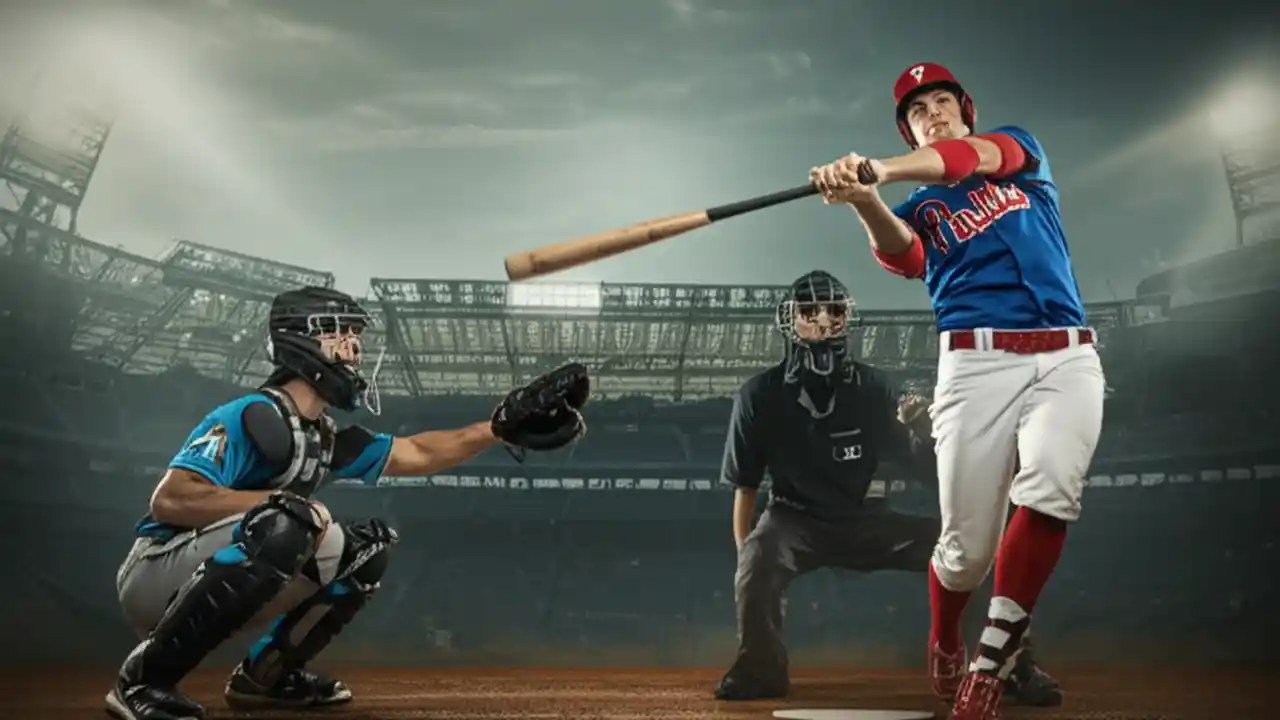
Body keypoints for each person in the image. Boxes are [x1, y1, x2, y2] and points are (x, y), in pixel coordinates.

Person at [106, 285, 590, 720]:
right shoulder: (248, 415)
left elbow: (418, 451)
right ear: (301, 341)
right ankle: (143, 681)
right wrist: (283, 503)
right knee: (290, 521)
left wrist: (497, 427)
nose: (355, 349)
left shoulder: (323, 437)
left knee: (367, 546)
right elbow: (172, 499)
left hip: (228, 562)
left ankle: (266, 677)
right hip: (154, 572)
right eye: (339, 334)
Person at [809, 62, 1105, 720]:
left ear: (966, 110)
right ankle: (944, 638)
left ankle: (989, 663)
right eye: (918, 110)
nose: (933, 111)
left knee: (1053, 485)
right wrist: (863, 198)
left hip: (1067, 358)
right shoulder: (922, 206)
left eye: (943, 100)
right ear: (908, 129)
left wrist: (879, 168)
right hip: (976, 368)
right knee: (966, 553)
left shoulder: (1018, 154)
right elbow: (905, 257)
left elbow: (967, 158)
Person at [713, 269, 1061, 708]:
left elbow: (930, 472)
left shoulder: (875, 389)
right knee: (759, 558)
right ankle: (759, 668)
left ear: (848, 320)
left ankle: (1011, 666)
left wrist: (923, 434)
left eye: (835, 311)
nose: (823, 321)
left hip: (865, 517)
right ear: (789, 320)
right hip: (792, 518)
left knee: (972, 550)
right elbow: (744, 488)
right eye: (809, 311)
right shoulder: (758, 395)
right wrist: (749, 560)